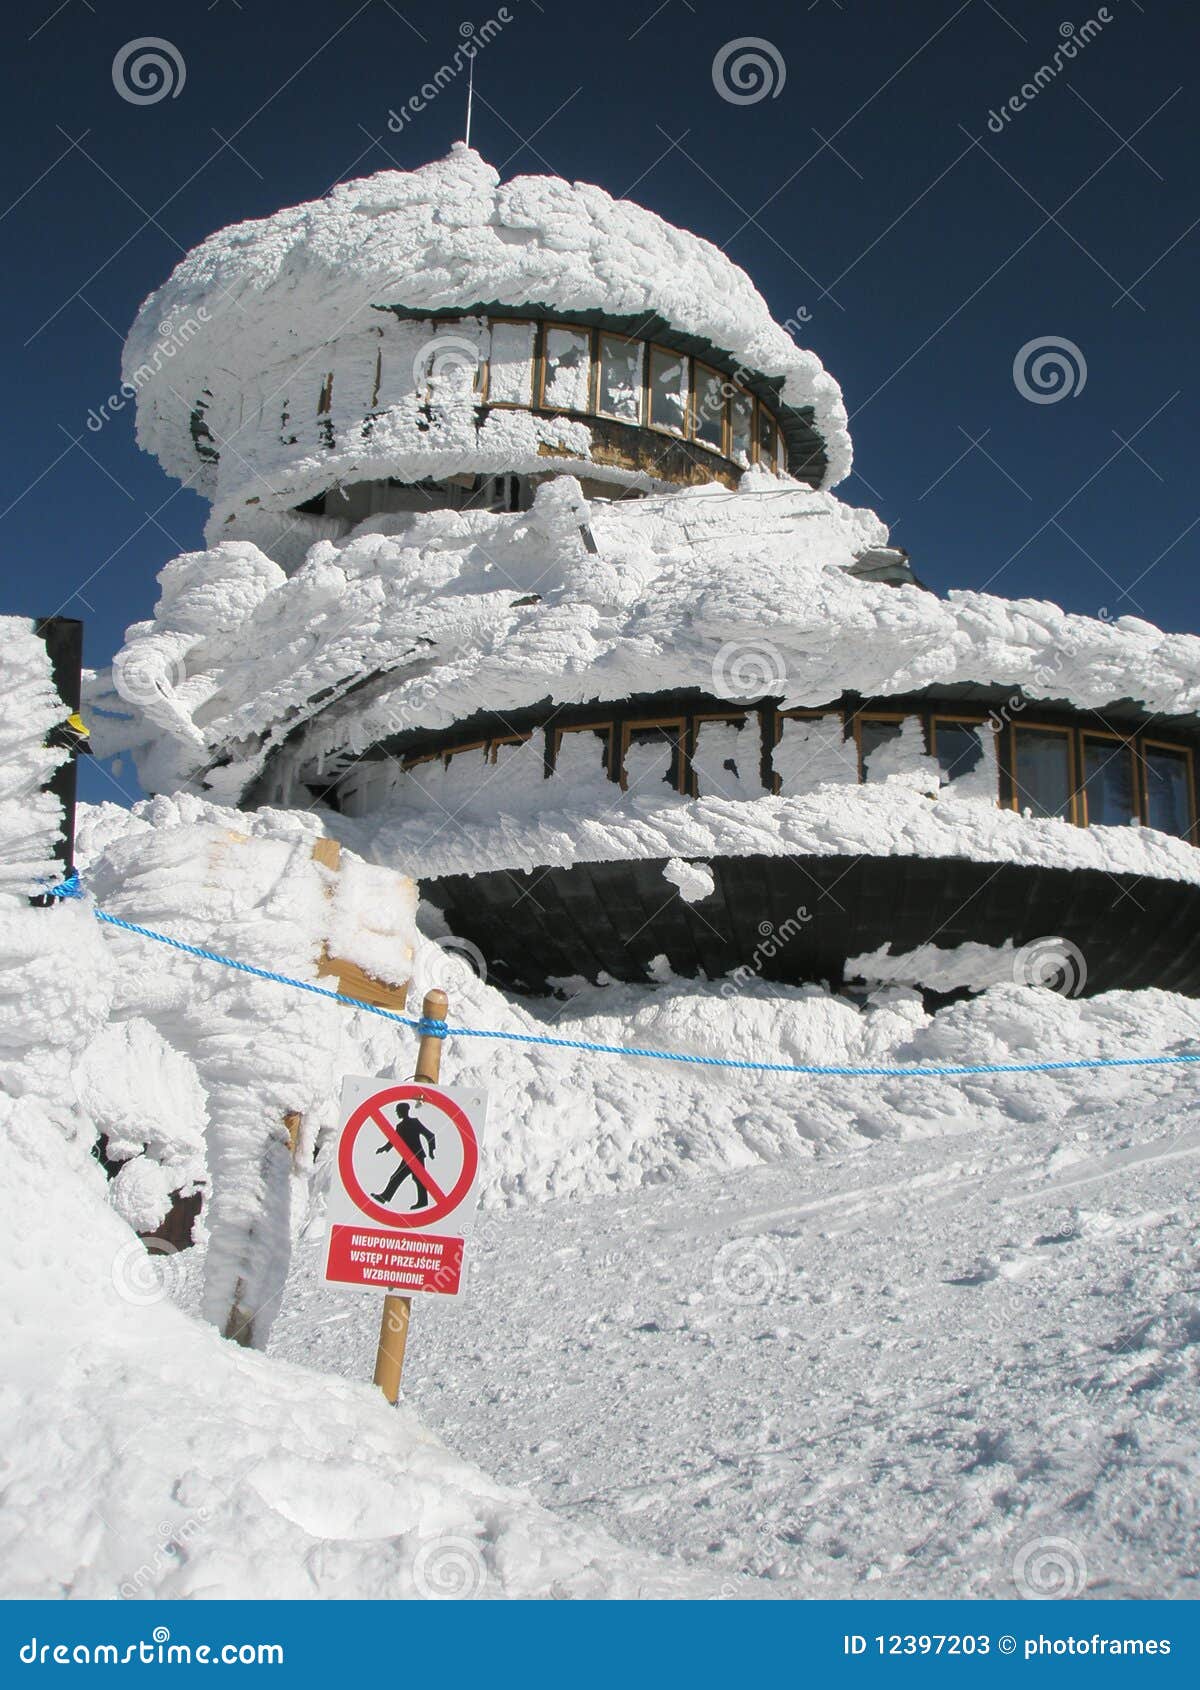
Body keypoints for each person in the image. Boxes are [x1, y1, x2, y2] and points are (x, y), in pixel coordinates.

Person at [371, 1101, 437, 1209]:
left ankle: (421, 1201)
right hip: (408, 1157)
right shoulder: (400, 1126)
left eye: (398, 1111)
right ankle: (421, 1201)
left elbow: (430, 1135)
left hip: (417, 1156)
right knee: (413, 1179)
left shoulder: (415, 1122)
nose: (396, 1113)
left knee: (413, 1179)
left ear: (404, 1111)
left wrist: (431, 1151)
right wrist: (384, 1148)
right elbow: (393, 1140)